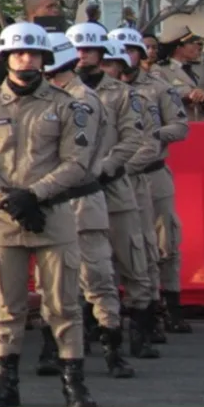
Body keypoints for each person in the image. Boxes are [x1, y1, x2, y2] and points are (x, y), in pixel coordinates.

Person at [0, 23, 98, 407]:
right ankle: (5, 381)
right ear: (6, 58)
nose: (26, 60)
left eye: (34, 54)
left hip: (52, 215)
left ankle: (73, 381)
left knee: (62, 304)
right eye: (19, 53)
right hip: (6, 219)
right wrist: (8, 199)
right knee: (7, 305)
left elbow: (77, 162)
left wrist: (35, 196)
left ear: (45, 59)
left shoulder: (66, 104)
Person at [57, 25, 146, 380]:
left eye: (90, 50)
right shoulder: (52, 96)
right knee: (65, 269)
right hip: (67, 191)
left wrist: (107, 167)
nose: (83, 56)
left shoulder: (121, 94)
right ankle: (70, 340)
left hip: (111, 183)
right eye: (77, 50)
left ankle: (137, 324)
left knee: (129, 254)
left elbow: (134, 137)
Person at [116, 26, 191, 336]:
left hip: (153, 172)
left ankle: (170, 306)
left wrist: (153, 136)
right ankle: (131, 307)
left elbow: (180, 126)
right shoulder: (103, 90)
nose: (125, 57)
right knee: (123, 242)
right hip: (117, 176)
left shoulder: (158, 88)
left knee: (164, 240)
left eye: (131, 50)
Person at [101, 35, 170, 359]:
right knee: (93, 264)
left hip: (124, 184)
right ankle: (100, 329)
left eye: (110, 62)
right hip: (83, 189)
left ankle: (143, 324)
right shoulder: (73, 96)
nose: (105, 68)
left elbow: (147, 140)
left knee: (136, 253)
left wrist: (115, 168)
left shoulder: (134, 98)